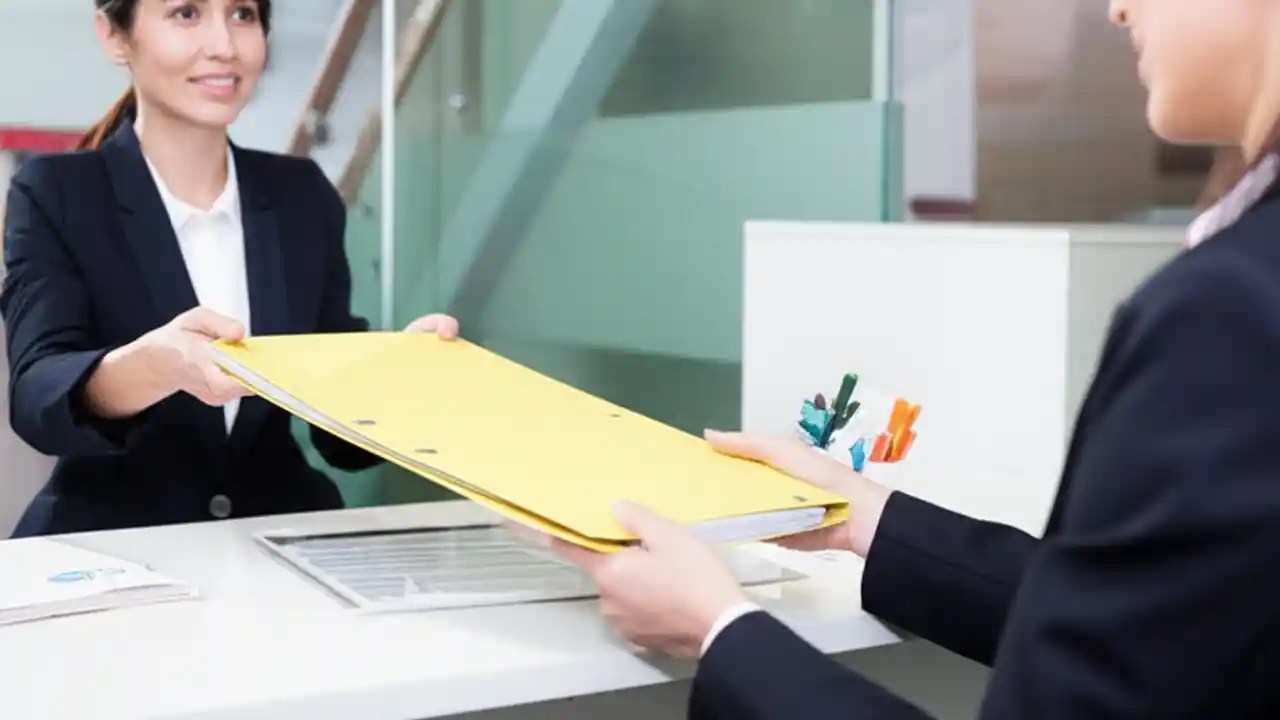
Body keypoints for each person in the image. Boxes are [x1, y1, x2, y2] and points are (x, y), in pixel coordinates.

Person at [555, 0, 1280, 716]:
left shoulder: (1232, 306)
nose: (1118, 10)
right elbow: (1151, 631)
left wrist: (722, 633)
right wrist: (860, 518)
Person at [1, 0, 459, 537]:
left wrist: (404, 378)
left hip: (281, 545)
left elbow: (338, 435)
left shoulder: (302, 195)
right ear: (115, 36)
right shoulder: (57, 192)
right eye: (186, 14)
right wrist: (157, 365)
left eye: (243, 14)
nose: (224, 44)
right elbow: (39, 396)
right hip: (116, 545)